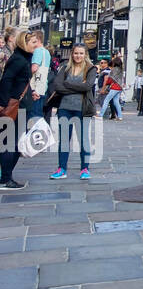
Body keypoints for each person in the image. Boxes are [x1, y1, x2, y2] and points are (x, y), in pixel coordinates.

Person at [49, 44, 96, 180]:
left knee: (83, 140)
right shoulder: (65, 68)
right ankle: (61, 169)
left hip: (82, 109)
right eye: (76, 53)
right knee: (64, 140)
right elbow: (57, 85)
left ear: (85, 54)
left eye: (81, 53)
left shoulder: (90, 69)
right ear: (72, 54)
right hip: (64, 108)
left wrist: (68, 84)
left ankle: (85, 168)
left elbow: (88, 86)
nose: (78, 56)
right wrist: (78, 87)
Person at [0, 31, 34, 188]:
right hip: (14, 107)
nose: (36, 45)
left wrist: (30, 92)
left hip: (20, 106)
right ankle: (5, 179)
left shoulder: (23, 59)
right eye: (33, 42)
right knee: (10, 143)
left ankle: (6, 176)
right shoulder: (19, 60)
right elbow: (6, 81)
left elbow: (20, 81)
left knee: (14, 143)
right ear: (24, 43)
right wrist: (3, 103)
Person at [28, 30, 50, 120]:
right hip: (42, 86)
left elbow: (34, 68)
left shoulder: (37, 51)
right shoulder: (46, 52)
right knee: (39, 113)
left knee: (33, 114)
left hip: (36, 86)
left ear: (37, 40)